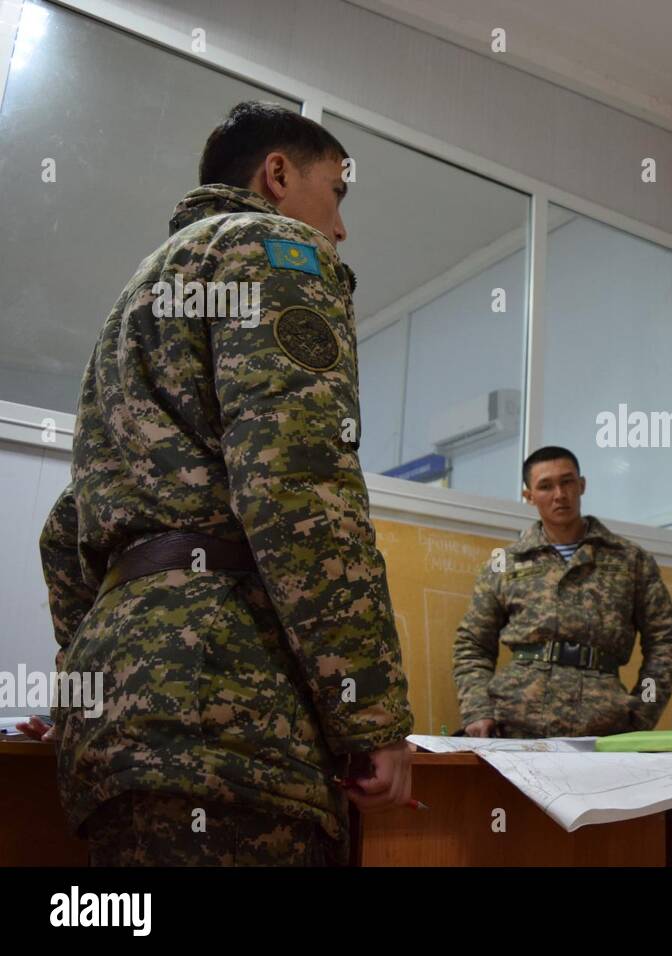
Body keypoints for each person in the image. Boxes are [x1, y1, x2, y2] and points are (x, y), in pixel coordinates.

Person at [32, 101, 414, 866]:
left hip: (125, 714)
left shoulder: (134, 302)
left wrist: (97, 675)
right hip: (231, 704)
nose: (339, 228)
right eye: (337, 194)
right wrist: (369, 715)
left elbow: (64, 529)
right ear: (278, 174)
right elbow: (299, 484)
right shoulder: (274, 249)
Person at [452, 446, 672, 737]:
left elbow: (664, 641)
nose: (559, 494)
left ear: (582, 485)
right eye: (545, 486)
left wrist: (644, 710)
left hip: (603, 725)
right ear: (529, 496)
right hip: (515, 723)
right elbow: (472, 643)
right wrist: (477, 709)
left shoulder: (629, 559)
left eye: (567, 482)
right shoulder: (506, 563)